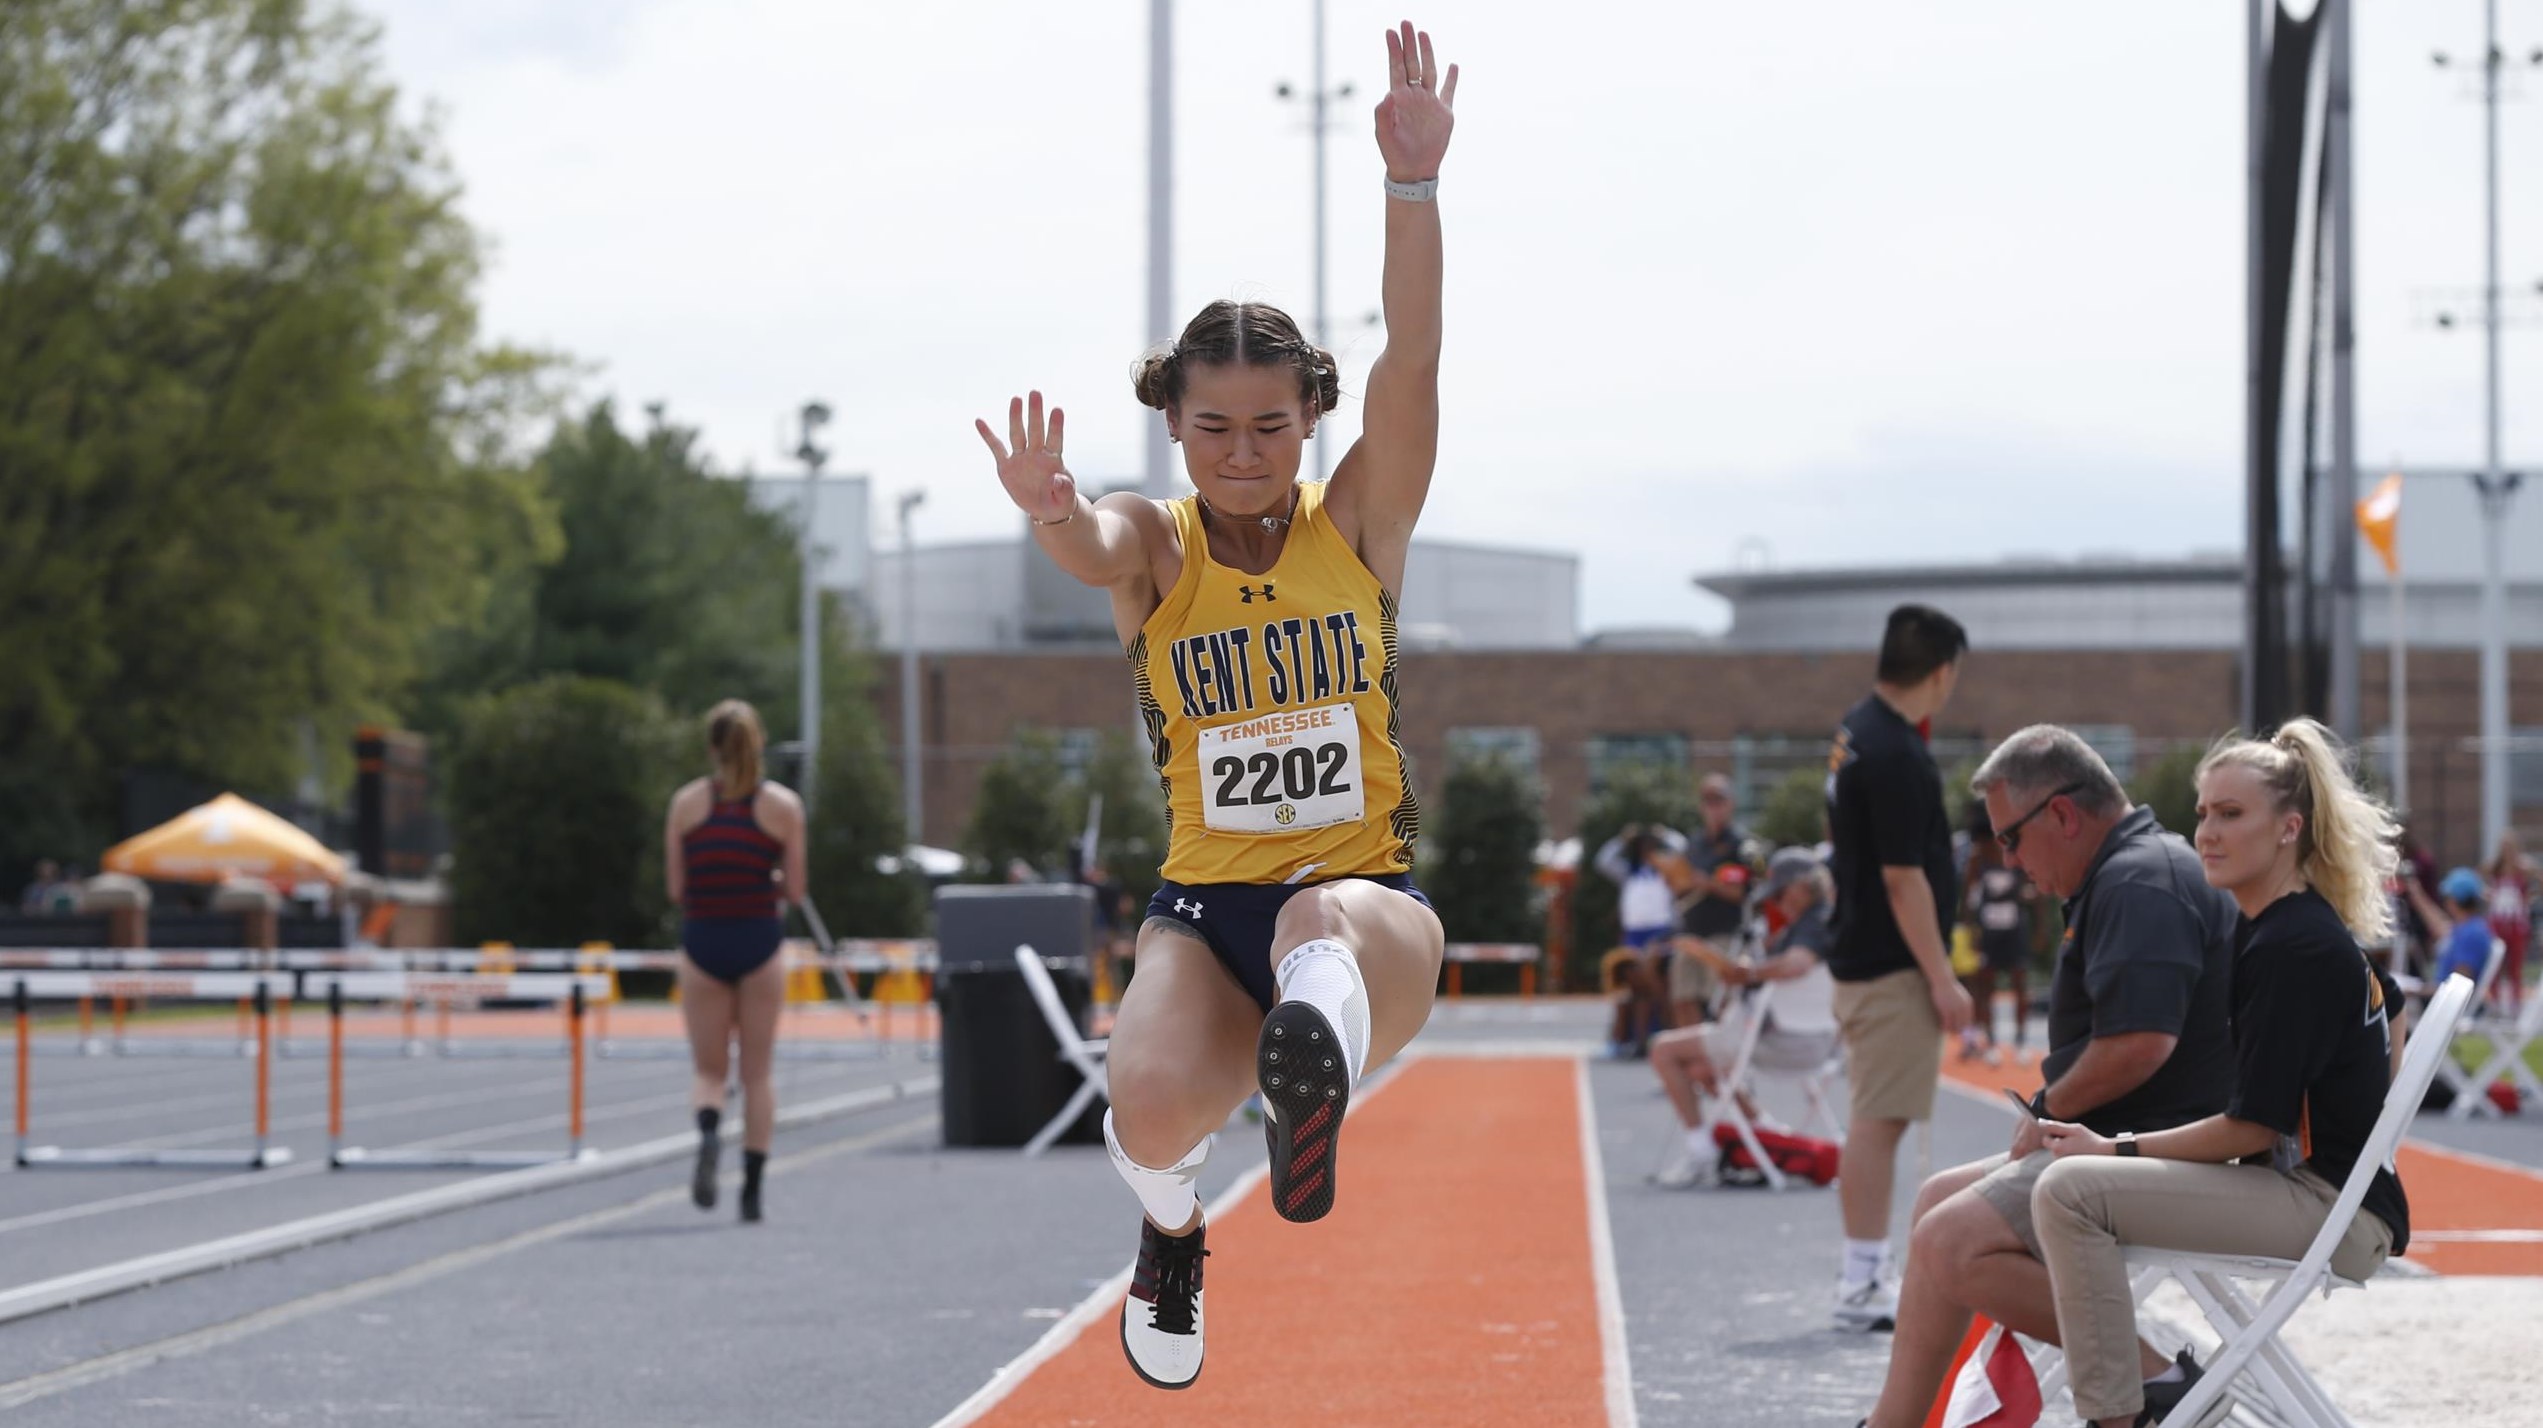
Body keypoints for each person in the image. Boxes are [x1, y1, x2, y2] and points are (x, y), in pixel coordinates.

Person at [970, 20, 1457, 1391]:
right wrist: (1055, 511)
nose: (1242, 458)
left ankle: (1312, 1078)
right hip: (1202, 907)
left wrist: (1409, 189)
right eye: (1211, 431)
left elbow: (1410, 362)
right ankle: (1174, 1232)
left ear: (1308, 416)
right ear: (1173, 426)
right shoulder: (1160, 548)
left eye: (1267, 428)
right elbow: (1097, 549)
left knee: (1314, 920)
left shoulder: (1356, 522)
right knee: (1141, 1108)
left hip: (1363, 912)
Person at [1853, 726, 2236, 1428]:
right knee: (1938, 1200)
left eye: (2008, 838)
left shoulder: (2138, 879)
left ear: (2060, 814)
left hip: (2169, 1156)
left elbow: (2138, 1044)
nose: (2005, 858)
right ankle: (1894, 1423)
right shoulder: (2131, 871)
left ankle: (2161, 1383)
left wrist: (2043, 1108)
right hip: (2141, 1143)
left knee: (1950, 1240)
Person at [2032, 720, 2410, 1428]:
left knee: (2068, 1191)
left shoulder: (2288, 944)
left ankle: (2122, 1417)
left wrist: (2111, 1148)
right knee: (2073, 1185)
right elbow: (2389, 1007)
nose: (2206, 830)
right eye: (2202, 812)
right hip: (2329, 1190)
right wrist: (2366, 1121)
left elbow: (2250, 1125)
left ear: (2287, 828)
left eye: (2230, 814)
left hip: (2331, 1208)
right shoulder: (2289, 926)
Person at [1823, 604, 1972, 1331]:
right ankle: (1859, 1279)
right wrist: (1941, 977)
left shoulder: (1858, 730)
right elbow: (1902, 877)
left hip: (1862, 953)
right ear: (1941, 671)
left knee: (1873, 1118)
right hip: (1889, 964)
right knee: (1878, 1121)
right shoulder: (1896, 753)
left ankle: (1862, 1272)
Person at [662, 699, 808, 1224]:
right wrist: (761, 877)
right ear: (759, 744)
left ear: (711, 748)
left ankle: (707, 1131)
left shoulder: (684, 806)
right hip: (758, 941)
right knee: (757, 1074)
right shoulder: (783, 808)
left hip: (703, 941)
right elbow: (795, 888)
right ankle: (751, 1189)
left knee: (708, 1069)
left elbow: (677, 889)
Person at [1647, 849, 1840, 1188]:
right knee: (1698, 1070)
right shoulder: (1834, 921)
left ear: (1800, 888)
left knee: (1663, 1049)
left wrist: (1747, 974)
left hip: (1778, 1042)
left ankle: (1700, 1150)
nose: (1778, 906)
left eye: (1780, 895)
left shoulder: (1813, 925)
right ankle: (1766, 1133)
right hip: (1822, 1046)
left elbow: (1798, 965)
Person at [1672, 773, 1762, 1025]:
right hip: (1692, 931)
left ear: (1730, 803)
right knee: (1683, 996)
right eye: (1707, 800)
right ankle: (1692, 1052)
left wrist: (1708, 883)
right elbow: (1681, 885)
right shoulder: (1695, 843)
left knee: (1721, 998)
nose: (1713, 807)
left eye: (1718, 799)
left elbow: (1742, 891)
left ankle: (1719, 1054)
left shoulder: (1740, 844)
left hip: (1723, 933)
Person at [1594, 821, 1688, 1055]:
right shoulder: (1629, 873)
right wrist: (1623, 839)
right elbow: (1603, 861)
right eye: (1642, 847)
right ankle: (1630, 1037)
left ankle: (1661, 1033)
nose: (1647, 852)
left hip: (1661, 934)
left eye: (1652, 847)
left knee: (1660, 987)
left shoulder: (1667, 872)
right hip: (1633, 936)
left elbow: (1684, 850)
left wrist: (1664, 834)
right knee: (1631, 989)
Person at [1962, 824, 2036, 1061]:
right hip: (1988, 930)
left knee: (2020, 983)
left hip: (2014, 928)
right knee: (1986, 986)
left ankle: (2020, 1041)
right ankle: (1991, 1041)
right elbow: (1967, 895)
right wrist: (1970, 930)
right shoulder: (1978, 858)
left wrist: (2031, 902)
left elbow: (2033, 885)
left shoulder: (2018, 853)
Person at [2485, 831, 2535, 1014]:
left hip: (2516, 922)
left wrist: (2529, 898)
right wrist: (2490, 895)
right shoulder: (2495, 868)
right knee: (2495, 964)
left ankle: (2515, 1004)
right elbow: (2479, 878)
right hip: (2498, 919)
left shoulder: (2523, 868)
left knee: (2515, 965)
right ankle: (2495, 1002)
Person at [2426, 867, 2495, 988]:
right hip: (2439, 993)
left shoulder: (2472, 933)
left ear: (2453, 900)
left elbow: (2459, 985)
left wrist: (2418, 991)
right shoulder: (2466, 927)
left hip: (2445, 1000)